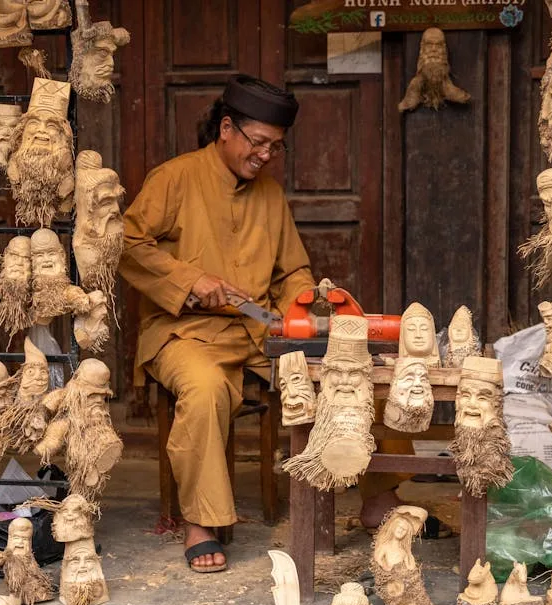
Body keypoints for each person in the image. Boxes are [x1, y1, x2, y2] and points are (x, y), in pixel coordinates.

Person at [120, 73, 441, 574]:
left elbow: (293, 269)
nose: (266, 155)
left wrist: (304, 303)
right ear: (226, 128)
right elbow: (128, 245)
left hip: (259, 331)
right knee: (205, 389)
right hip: (185, 333)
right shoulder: (174, 178)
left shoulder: (268, 194)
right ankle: (201, 523)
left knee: (354, 366)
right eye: (259, 143)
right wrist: (187, 278)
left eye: (275, 147)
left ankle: (381, 495)